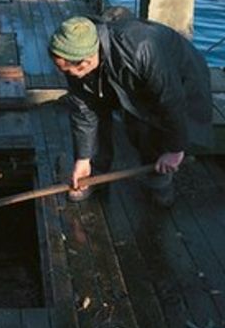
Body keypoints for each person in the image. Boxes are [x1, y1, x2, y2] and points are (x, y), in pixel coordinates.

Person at [48, 11, 213, 206]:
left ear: (86, 62)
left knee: (144, 125)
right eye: (62, 70)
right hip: (119, 71)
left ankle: (159, 177)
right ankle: (93, 172)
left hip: (177, 76)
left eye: (68, 71)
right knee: (95, 110)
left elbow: (171, 101)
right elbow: (84, 113)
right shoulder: (72, 57)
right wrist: (83, 159)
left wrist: (176, 149)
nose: (67, 75)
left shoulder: (142, 49)